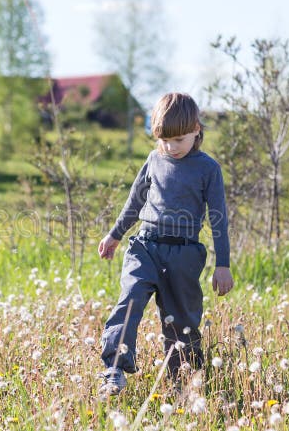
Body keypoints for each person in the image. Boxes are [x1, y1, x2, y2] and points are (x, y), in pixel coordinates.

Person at [97, 92, 233, 396]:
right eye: (164, 140)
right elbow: (135, 200)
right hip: (145, 245)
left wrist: (222, 264)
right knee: (129, 301)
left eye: (179, 140)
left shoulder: (207, 169)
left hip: (184, 253)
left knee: (181, 320)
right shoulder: (154, 158)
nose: (171, 148)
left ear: (197, 129)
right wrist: (115, 234)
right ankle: (114, 370)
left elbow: (218, 218)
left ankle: (183, 382)